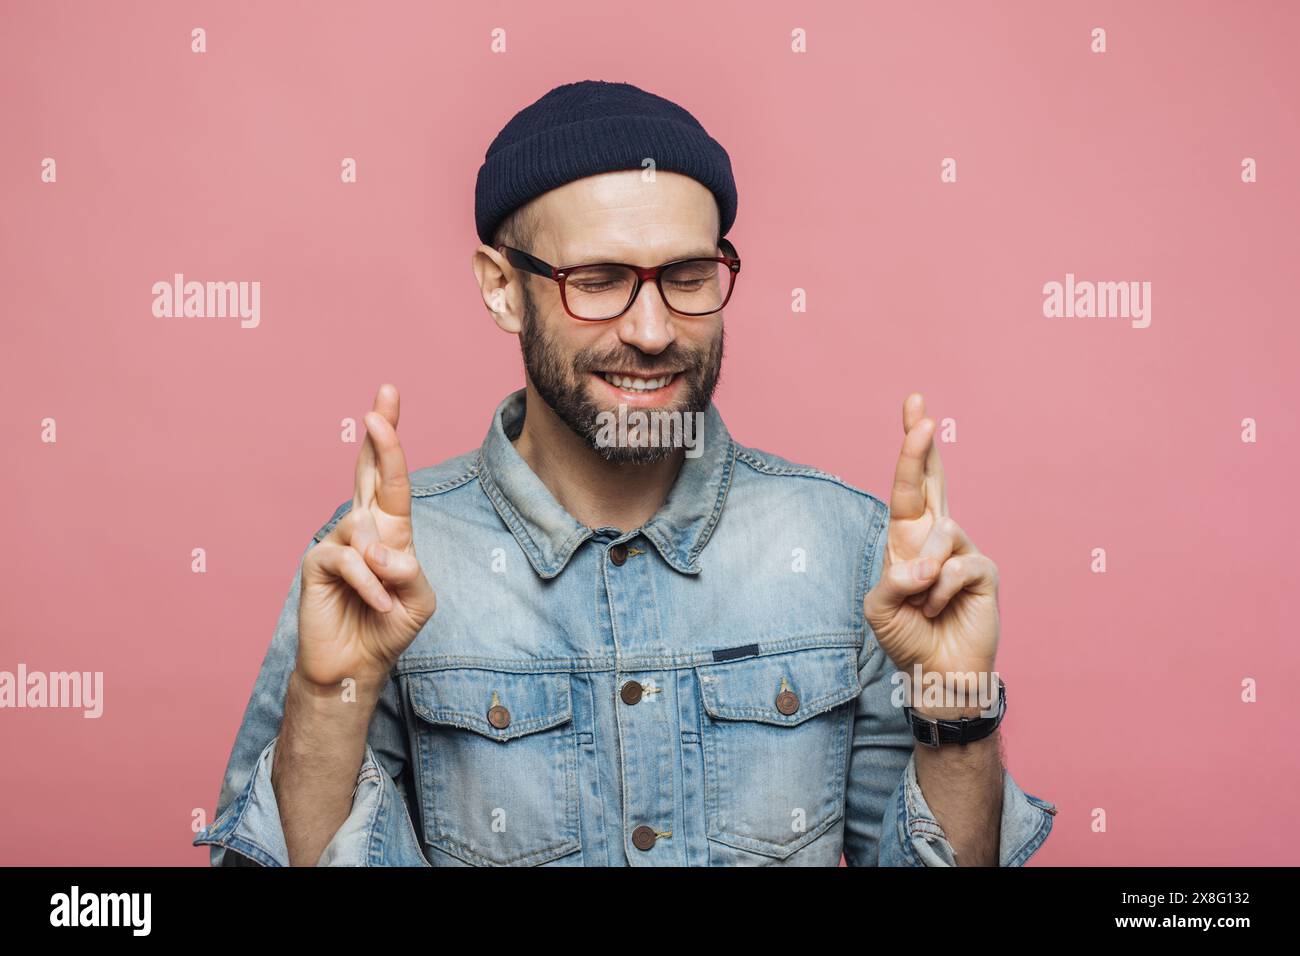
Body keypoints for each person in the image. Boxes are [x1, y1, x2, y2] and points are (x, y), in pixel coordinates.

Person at [195, 79, 1055, 867]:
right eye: (598, 281)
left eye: (686, 277)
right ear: (502, 290)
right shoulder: (379, 566)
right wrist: (329, 697)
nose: (651, 330)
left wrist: (958, 706)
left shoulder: (852, 549)